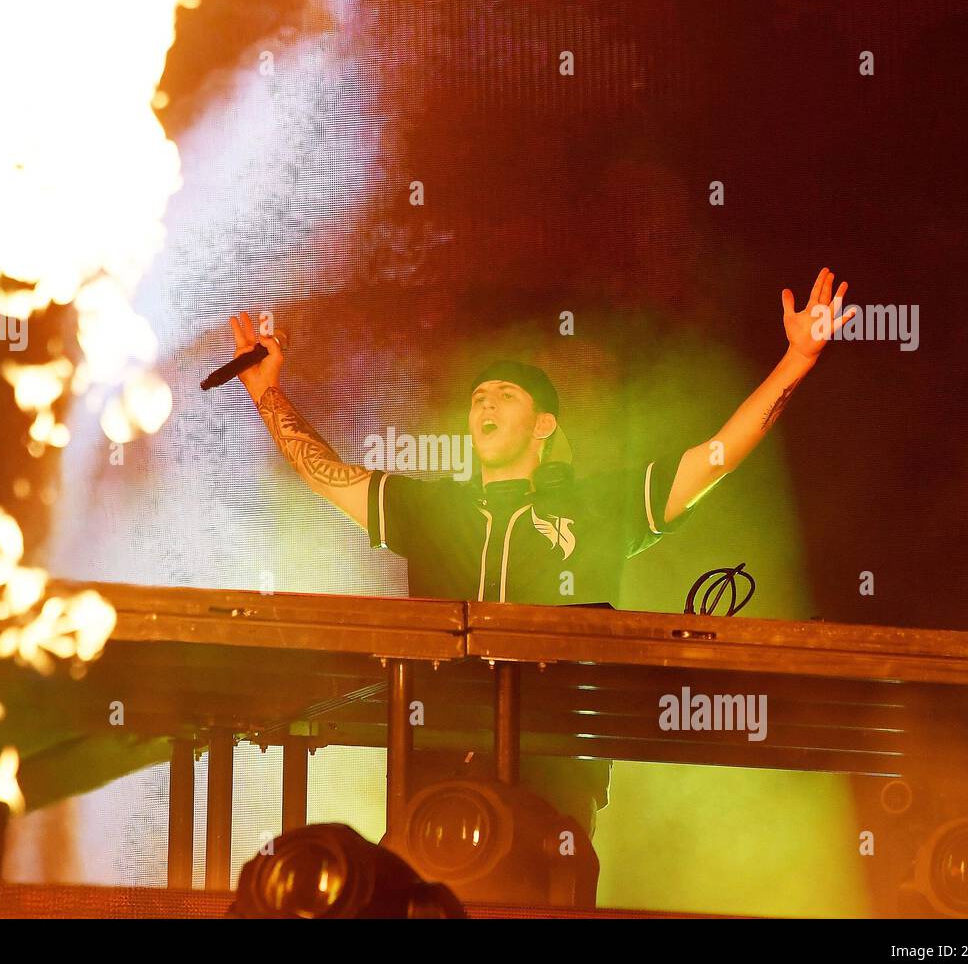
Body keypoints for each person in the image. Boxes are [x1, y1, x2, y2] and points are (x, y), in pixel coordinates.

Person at [229, 267, 855, 836]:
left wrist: (797, 360)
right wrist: (267, 393)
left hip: (556, 771)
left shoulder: (599, 505)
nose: (484, 405)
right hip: (435, 764)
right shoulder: (429, 508)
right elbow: (325, 473)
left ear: (543, 424)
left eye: (503, 395)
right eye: (477, 398)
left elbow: (716, 455)